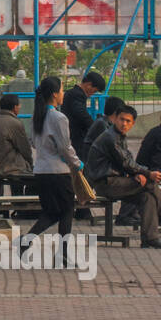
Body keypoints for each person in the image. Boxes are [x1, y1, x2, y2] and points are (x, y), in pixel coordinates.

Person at [86, 105, 161, 249]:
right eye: (121, 120)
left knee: (147, 198)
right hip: (105, 183)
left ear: (133, 123)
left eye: (128, 121)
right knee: (150, 182)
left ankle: (150, 239)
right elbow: (125, 162)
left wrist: (138, 173)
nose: (124, 124)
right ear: (115, 119)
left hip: (116, 182)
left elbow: (128, 160)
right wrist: (147, 173)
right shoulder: (110, 137)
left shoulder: (119, 137)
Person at [22, 76, 82, 249]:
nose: (63, 94)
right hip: (59, 172)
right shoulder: (59, 118)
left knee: (52, 212)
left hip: (41, 170)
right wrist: (77, 163)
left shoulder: (37, 117)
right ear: (55, 94)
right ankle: (63, 252)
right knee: (67, 211)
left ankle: (26, 242)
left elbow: (33, 142)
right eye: (62, 90)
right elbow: (65, 147)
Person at [62, 71, 106, 220]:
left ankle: (82, 208)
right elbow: (81, 115)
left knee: (80, 174)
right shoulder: (77, 96)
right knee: (83, 174)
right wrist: (95, 127)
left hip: (74, 139)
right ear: (88, 85)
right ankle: (82, 208)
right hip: (77, 141)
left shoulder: (72, 94)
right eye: (93, 90)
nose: (92, 94)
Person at [0, 94, 34, 198]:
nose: (20, 107)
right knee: (27, 176)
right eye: (19, 105)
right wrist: (30, 165)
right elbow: (25, 149)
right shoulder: (15, 123)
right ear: (15, 107)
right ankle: (20, 204)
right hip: (4, 168)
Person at [82, 95, 125, 161]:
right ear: (116, 112)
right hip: (94, 165)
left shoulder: (106, 123)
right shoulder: (102, 124)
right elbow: (113, 149)